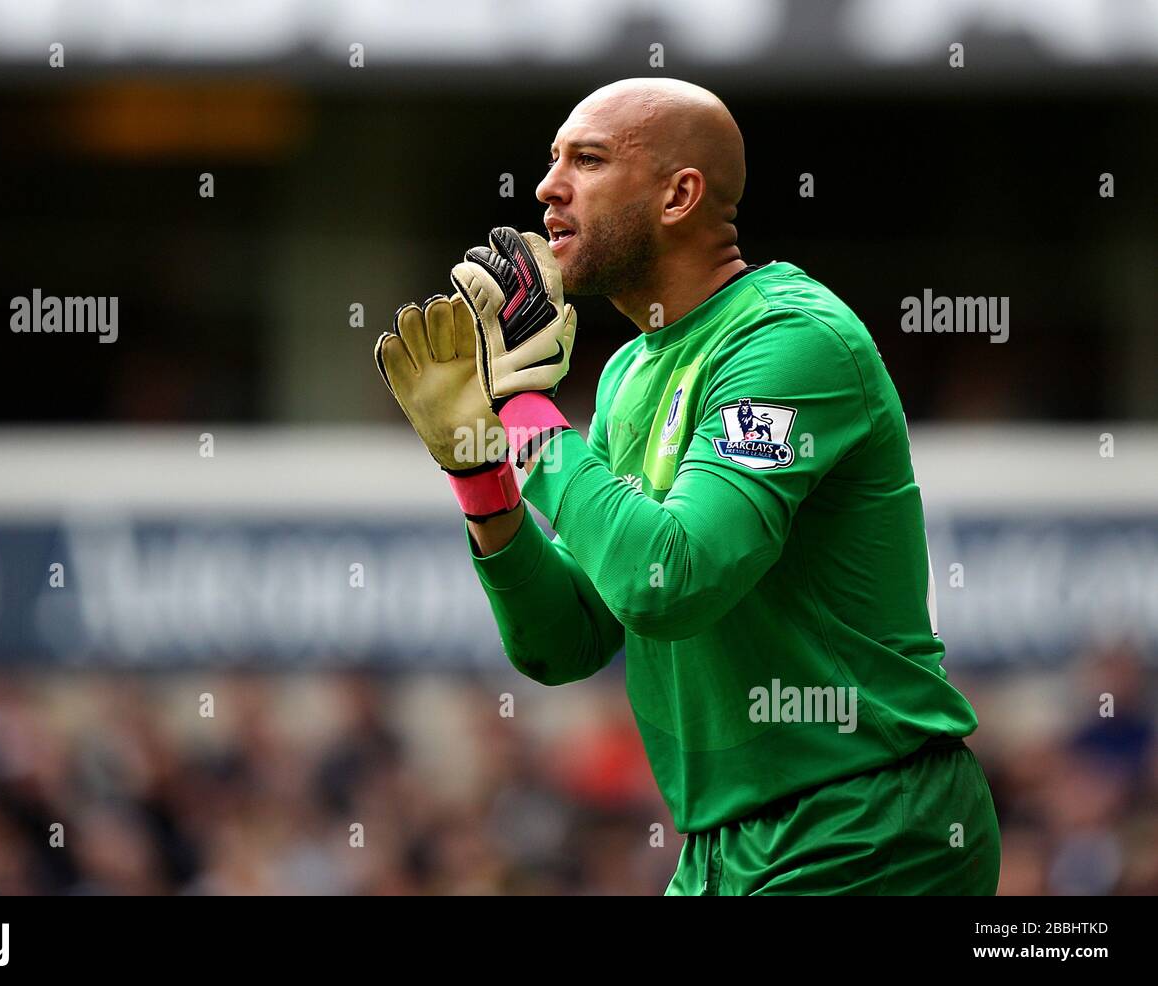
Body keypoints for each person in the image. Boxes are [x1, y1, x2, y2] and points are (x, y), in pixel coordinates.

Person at [375, 78, 1000, 895]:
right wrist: (481, 472)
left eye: (587, 160)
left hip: (868, 824)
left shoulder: (788, 340)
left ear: (679, 195)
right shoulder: (631, 372)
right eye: (552, 159)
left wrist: (525, 413)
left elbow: (670, 579)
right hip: (724, 846)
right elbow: (565, 641)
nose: (547, 186)